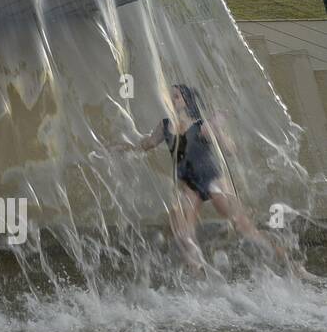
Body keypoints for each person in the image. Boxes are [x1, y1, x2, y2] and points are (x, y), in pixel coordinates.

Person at [118, 83, 299, 274]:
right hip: (189, 183)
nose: (171, 100)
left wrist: (219, 130)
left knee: (244, 227)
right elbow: (146, 144)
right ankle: (197, 269)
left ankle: (290, 262)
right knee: (182, 227)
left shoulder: (201, 126)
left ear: (187, 102)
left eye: (176, 97)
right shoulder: (164, 126)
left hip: (213, 180)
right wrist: (123, 147)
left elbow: (230, 150)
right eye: (169, 96)